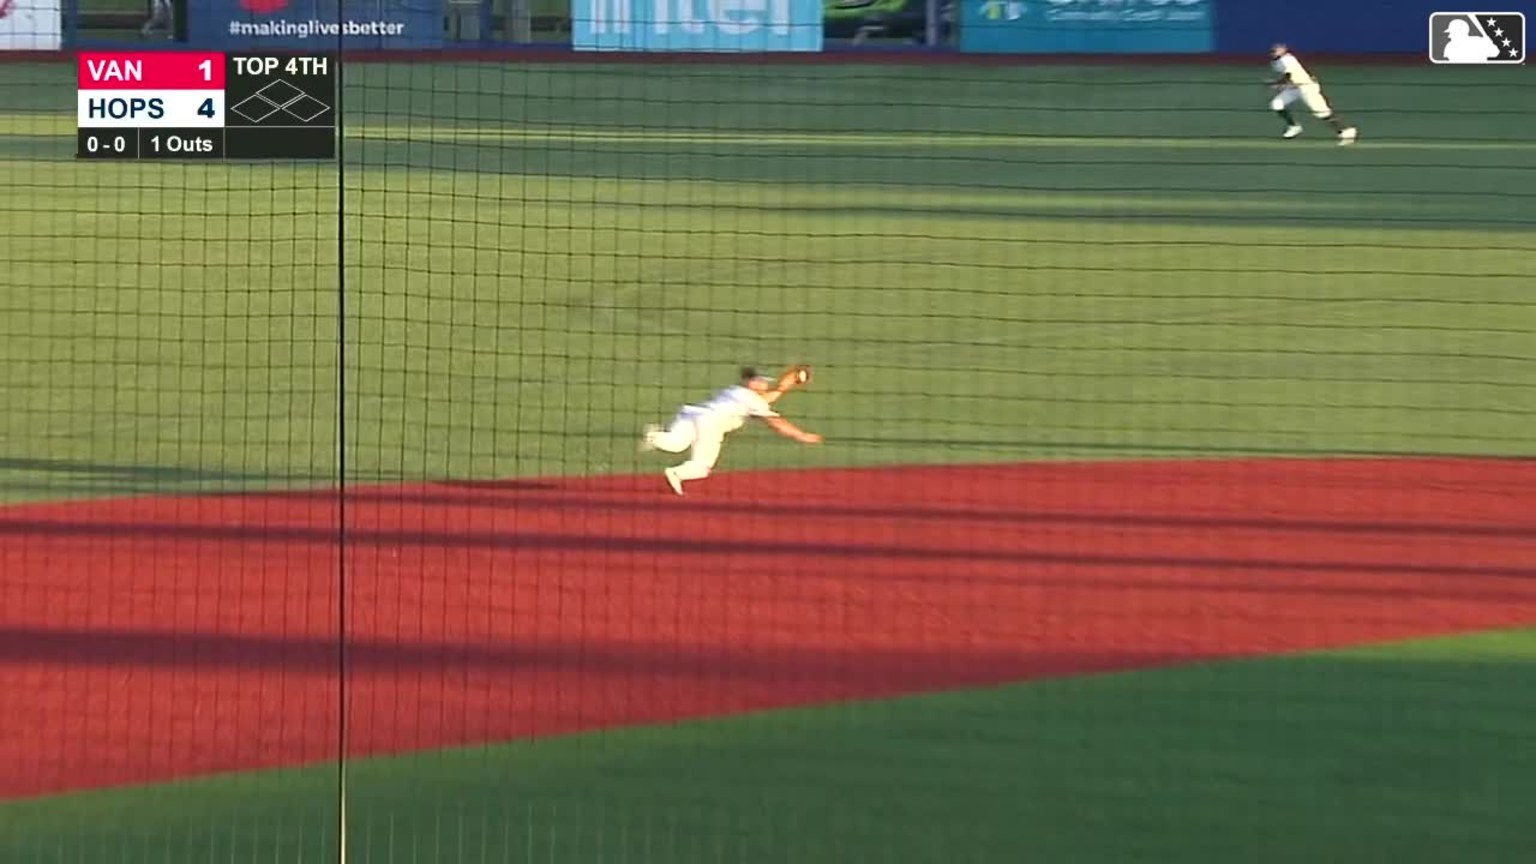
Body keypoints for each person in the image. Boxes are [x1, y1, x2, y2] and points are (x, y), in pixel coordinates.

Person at [640, 366, 822, 496]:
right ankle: (675, 473)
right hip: (710, 423)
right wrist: (801, 435)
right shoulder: (752, 400)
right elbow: (777, 423)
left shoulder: (735, 391)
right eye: (762, 382)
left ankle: (653, 436)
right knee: (702, 468)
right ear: (752, 383)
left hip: (692, 413)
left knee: (675, 443)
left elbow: (766, 399)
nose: (765, 385)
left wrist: (785, 386)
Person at [1267, 43, 1357, 146]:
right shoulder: (1275, 62)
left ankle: (1346, 131)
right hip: (1294, 89)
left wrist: (1277, 83)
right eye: (1273, 51)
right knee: (1276, 104)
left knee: (1321, 112)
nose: (1274, 52)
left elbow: (1288, 75)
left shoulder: (1288, 59)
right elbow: (1288, 78)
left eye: (1277, 50)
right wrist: (1278, 84)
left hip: (1307, 87)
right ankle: (1294, 127)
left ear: (1284, 50)